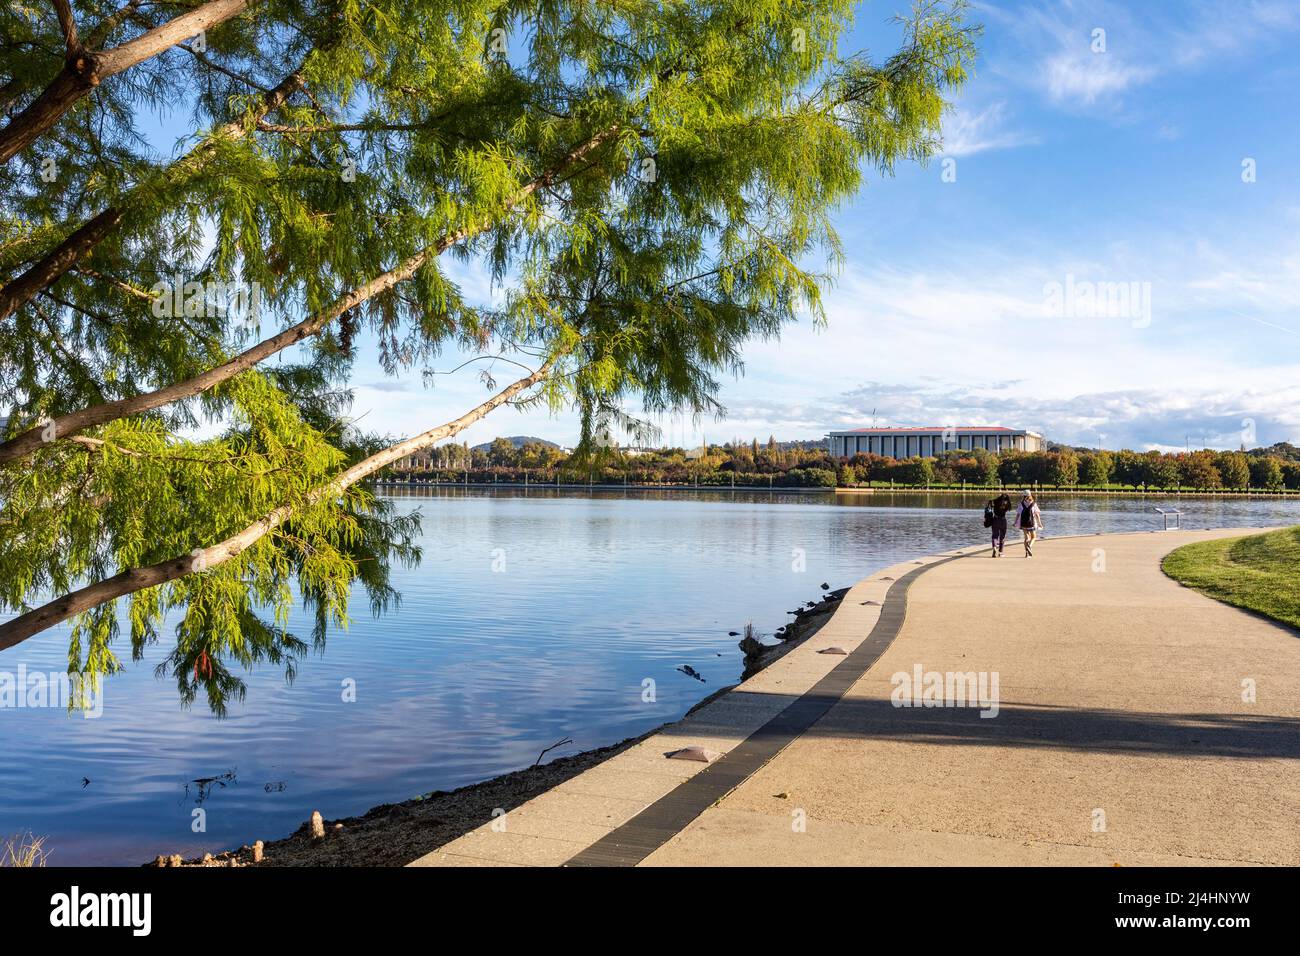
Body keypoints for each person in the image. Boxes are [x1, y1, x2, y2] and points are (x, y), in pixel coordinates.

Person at [1016, 491, 1043, 557]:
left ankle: (1027, 553)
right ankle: (1029, 546)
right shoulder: (1033, 503)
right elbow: (1037, 515)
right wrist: (1040, 523)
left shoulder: (1021, 504)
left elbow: (1018, 514)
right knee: (1033, 537)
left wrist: (1015, 522)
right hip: (1031, 523)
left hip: (1023, 524)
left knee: (1027, 538)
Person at [985, 492, 1012, 557]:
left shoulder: (995, 501)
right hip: (1003, 520)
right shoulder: (1007, 504)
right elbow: (1009, 508)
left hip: (995, 519)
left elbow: (989, 504)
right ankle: (1000, 552)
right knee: (1002, 536)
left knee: (995, 535)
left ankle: (994, 547)